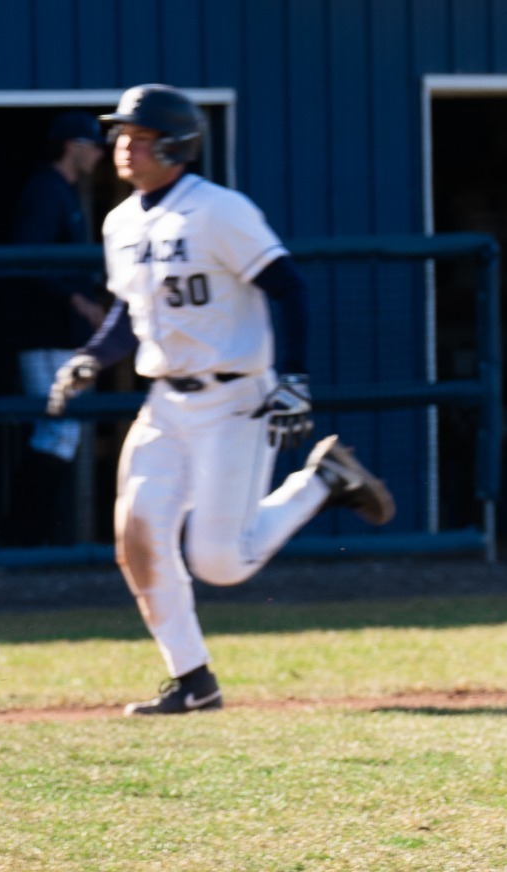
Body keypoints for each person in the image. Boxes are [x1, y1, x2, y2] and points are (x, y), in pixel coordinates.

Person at [46, 85, 395, 715]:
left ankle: (323, 480)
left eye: (138, 136)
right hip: (165, 402)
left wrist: (294, 377)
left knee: (220, 563)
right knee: (137, 536)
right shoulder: (120, 221)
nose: (122, 146)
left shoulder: (220, 210)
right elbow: (132, 309)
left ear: (177, 145)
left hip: (237, 397)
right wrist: (91, 357)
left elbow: (289, 288)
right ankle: (193, 681)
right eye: (120, 134)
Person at [8, 111, 108, 545]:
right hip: (43, 334)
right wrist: (78, 300)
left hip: (62, 335)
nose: (101, 154)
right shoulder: (47, 191)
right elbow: (27, 259)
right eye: (94, 145)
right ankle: (23, 536)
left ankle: (30, 535)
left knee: (62, 430)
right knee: (58, 428)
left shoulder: (63, 192)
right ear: (73, 146)